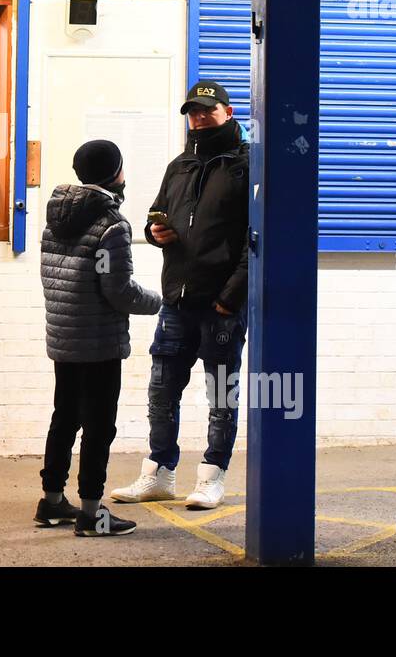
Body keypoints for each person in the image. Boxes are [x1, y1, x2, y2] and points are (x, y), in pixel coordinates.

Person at [111, 79, 249, 511]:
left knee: (221, 395)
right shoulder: (179, 166)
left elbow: (256, 239)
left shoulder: (247, 165)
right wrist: (156, 232)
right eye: (193, 111)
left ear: (227, 112)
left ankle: (212, 477)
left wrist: (231, 296)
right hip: (177, 299)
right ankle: (159, 474)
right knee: (162, 391)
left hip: (220, 303)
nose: (199, 117)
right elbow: (158, 214)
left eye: (208, 110)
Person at [37, 140, 162, 536]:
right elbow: (117, 290)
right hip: (99, 342)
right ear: (114, 173)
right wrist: (159, 301)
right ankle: (92, 513)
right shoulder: (112, 225)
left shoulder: (55, 216)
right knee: (98, 426)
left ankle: (52, 502)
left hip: (64, 336)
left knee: (65, 417)